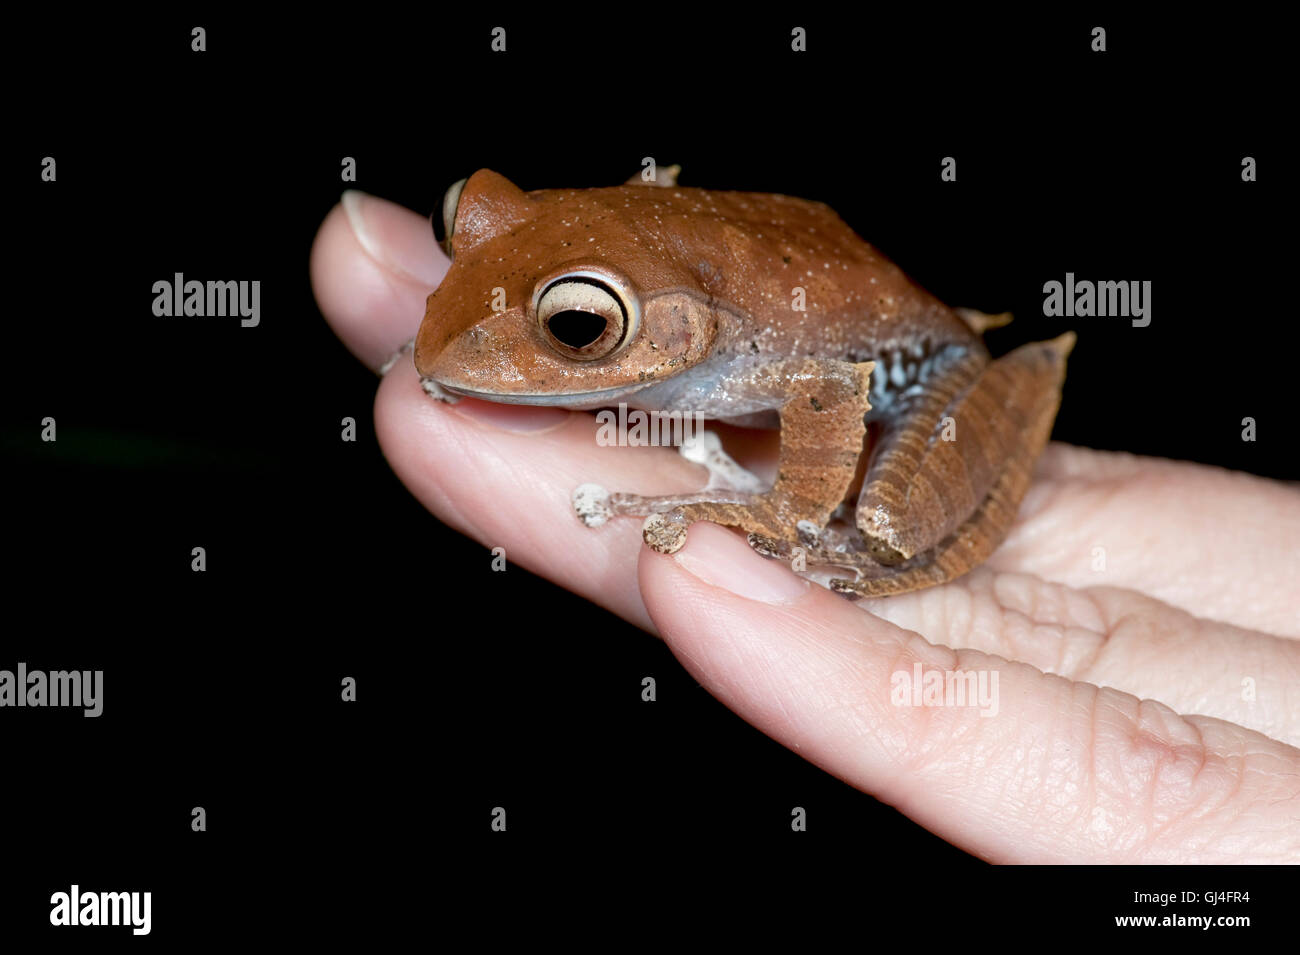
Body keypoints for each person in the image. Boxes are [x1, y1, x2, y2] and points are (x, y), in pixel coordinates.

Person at [311, 191, 1300, 863]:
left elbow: (826, 384)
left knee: (880, 516)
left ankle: (885, 482)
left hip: (927, 375)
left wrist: (777, 508)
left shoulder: (731, 339)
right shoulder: (655, 293)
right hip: (766, 278)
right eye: (464, 225)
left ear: (670, 330)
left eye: (575, 324)